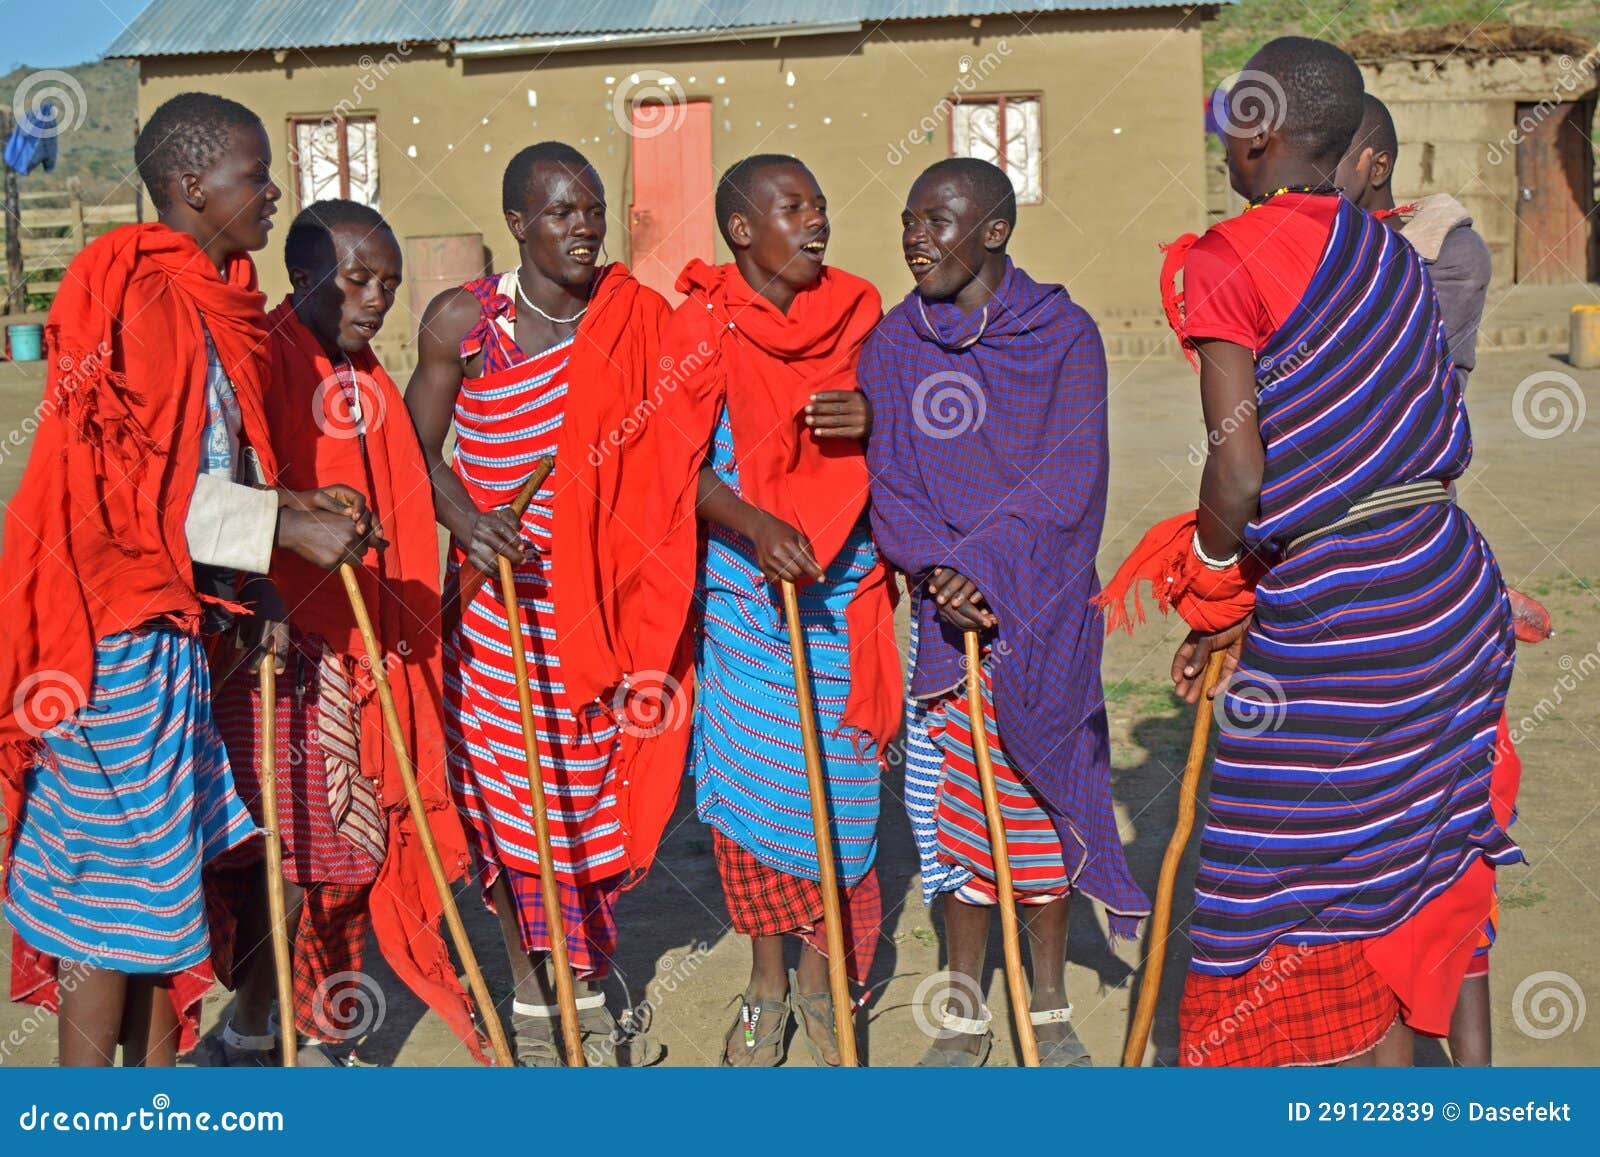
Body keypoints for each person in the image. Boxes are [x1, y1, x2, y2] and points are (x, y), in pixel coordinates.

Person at [1102, 37, 1521, 1067]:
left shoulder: (1223, 258)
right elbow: (1371, 447)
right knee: (1395, 855)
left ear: (1261, 131)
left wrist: (1208, 578)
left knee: (1270, 865)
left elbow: (1237, 475)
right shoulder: (1386, 246)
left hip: (1350, 615)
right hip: (1446, 590)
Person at [0, 92, 378, 1066]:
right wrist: (279, 523)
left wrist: (273, 551)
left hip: (176, 641)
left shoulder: (220, 297)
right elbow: (119, 490)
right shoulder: (124, 286)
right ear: (190, 185)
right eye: (256, 174)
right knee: (105, 908)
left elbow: (211, 464)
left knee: (160, 899)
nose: (273, 189)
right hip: (106, 643)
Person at [859, 158, 1148, 1066]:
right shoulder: (894, 344)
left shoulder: (1063, 335)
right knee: (961, 817)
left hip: (1045, 605)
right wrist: (940, 566)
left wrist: (980, 562)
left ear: (994, 230)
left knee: (1042, 794)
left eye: (937, 221)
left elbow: (1072, 481)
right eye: (908, 220)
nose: (916, 238)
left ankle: (1051, 1002)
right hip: (947, 620)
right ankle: (964, 1009)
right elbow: (890, 483)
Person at [406, 142, 689, 1067]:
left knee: (593, 798)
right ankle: (534, 990)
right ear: (519, 224)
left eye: (594, 210)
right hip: (493, 614)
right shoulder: (464, 324)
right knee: (508, 800)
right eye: (562, 212)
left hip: (602, 614)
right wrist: (471, 520)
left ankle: (588, 969)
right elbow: (412, 449)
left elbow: (681, 452)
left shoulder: (635, 320)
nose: (583, 228)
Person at [202, 199, 485, 1064]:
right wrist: (268, 596)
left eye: (388, 285)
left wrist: (470, 525)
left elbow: (408, 470)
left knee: (343, 852)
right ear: (304, 276)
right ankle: (262, 1023)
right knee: (290, 855)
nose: (374, 300)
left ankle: (304, 1021)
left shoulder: (360, 376)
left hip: (366, 648)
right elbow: (234, 492)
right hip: (280, 648)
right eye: (356, 280)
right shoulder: (266, 361)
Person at [654, 154, 901, 1066]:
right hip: (748, 595)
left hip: (848, 591)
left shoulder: (862, 312)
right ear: (741, 229)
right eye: (793, 208)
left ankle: (826, 978)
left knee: (839, 796)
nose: (817, 222)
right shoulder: (699, 324)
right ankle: (767, 981)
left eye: (822, 205)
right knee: (761, 799)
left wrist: (875, 416)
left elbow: (917, 418)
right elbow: (673, 465)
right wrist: (756, 523)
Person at [1336, 93, 1553, 1067]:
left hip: (1412, 574)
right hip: (1337, 584)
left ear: (1372, 163)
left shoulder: (1442, 252)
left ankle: (1471, 1099)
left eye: (1319, 157)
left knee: (1445, 856)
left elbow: (1392, 388)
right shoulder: (1332, 250)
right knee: (1359, 864)